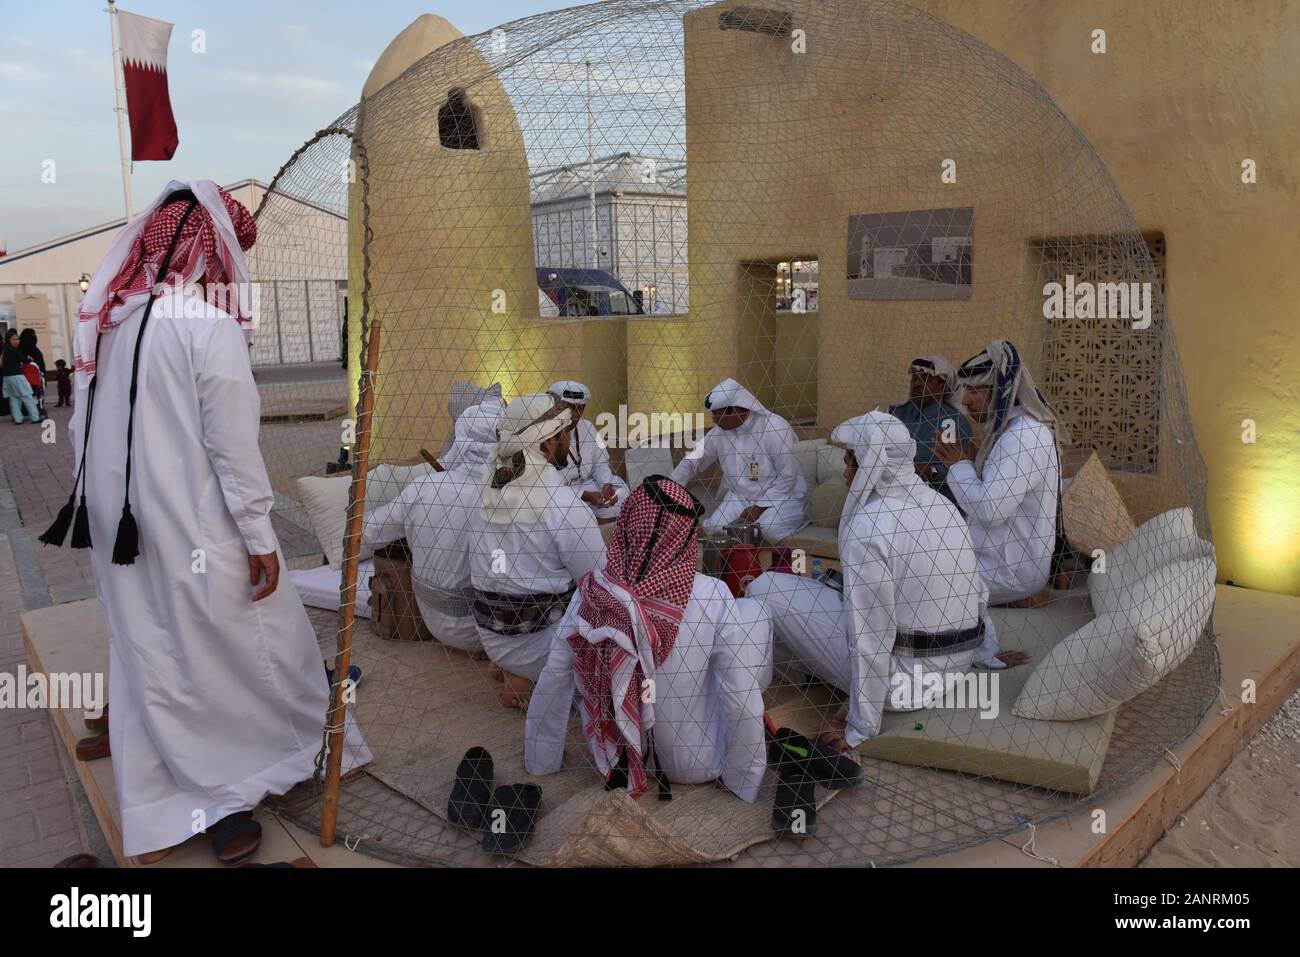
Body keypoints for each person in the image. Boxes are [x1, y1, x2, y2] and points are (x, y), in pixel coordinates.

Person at [40, 180, 371, 864]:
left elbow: (79, 432)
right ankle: (234, 790)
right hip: (192, 526)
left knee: (148, 653)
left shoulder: (106, 320)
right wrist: (258, 535)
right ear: (207, 252)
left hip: (118, 528)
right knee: (238, 649)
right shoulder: (206, 327)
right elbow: (232, 448)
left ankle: (159, 810)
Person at [747, 411, 991, 750]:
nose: (846, 473)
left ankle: (799, 682)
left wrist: (860, 728)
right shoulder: (944, 506)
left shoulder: (870, 526)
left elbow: (871, 638)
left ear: (867, 464)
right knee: (821, 589)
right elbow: (978, 591)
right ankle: (814, 673)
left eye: (849, 462)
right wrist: (988, 651)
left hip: (904, 686)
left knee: (764, 589)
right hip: (957, 666)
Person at [526, 475, 772, 802]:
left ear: (627, 525)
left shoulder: (594, 591)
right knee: (755, 614)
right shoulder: (712, 593)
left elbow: (554, 678)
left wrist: (541, 761)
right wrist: (743, 777)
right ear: (686, 536)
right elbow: (741, 697)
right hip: (694, 763)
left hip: (617, 756)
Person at [468, 393, 607, 708]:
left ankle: (513, 672)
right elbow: (599, 586)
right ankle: (535, 682)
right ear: (546, 445)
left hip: (491, 636)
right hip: (542, 645)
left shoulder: (485, 493)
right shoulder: (564, 506)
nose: (569, 444)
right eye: (565, 435)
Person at [934, 341, 1062, 628]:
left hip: (1009, 569)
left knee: (912, 578)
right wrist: (966, 464)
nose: (965, 400)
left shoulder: (1023, 438)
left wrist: (957, 466)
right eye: (965, 389)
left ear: (1001, 392)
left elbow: (991, 509)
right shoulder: (1009, 432)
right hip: (997, 558)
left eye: (975, 391)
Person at [364, 402, 502, 653]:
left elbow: (370, 533)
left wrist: (416, 528)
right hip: (483, 630)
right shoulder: (505, 498)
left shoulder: (423, 487)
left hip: (427, 620)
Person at [669, 378, 808, 543]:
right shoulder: (720, 431)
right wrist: (668, 487)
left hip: (782, 497)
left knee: (766, 530)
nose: (715, 421)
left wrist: (757, 509)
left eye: (718, 416)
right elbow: (693, 460)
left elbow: (788, 477)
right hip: (740, 497)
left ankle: (801, 517)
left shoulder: (774, 427)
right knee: (715, 529)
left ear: (736, 410)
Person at [887, 355, 972, 502]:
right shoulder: (896, 413)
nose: (917, 383)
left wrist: (929, 472)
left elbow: (952, 468)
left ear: (942, 387)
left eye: (926, 379)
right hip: (892, 493)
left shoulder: (950, 422)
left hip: (934, 501)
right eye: (914, 378)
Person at [549, 379, 629, 520]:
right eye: (571, 408)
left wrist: (606, 484)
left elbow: (600, 464)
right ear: (555, 406)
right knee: (569, 508)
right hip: (560, 494)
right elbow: (548, 485)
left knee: (620, 489)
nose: (576, 415)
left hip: (588, 485)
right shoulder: (544, 435)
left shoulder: (588, 426)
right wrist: (585, 495)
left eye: (580, 408)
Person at [2, 329, 40, 424]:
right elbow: (24, 360)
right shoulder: (13, 350)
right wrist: (31, 361)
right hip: (17, 376)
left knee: (14, 399)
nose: (16, 341)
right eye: (13, 339)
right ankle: (35, 418)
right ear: (8, 340)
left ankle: (18, 419)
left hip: (7, 377)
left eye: (17, 339)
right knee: (27, 396)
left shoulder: (5, 350)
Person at [19, 329, 47, 419]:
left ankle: (25, 410)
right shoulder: (34, 349)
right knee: (37, 393)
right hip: (36, 376)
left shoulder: (20, 349)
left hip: (24, 376)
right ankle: (37, 409)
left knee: (26, 394)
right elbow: (40, 363)